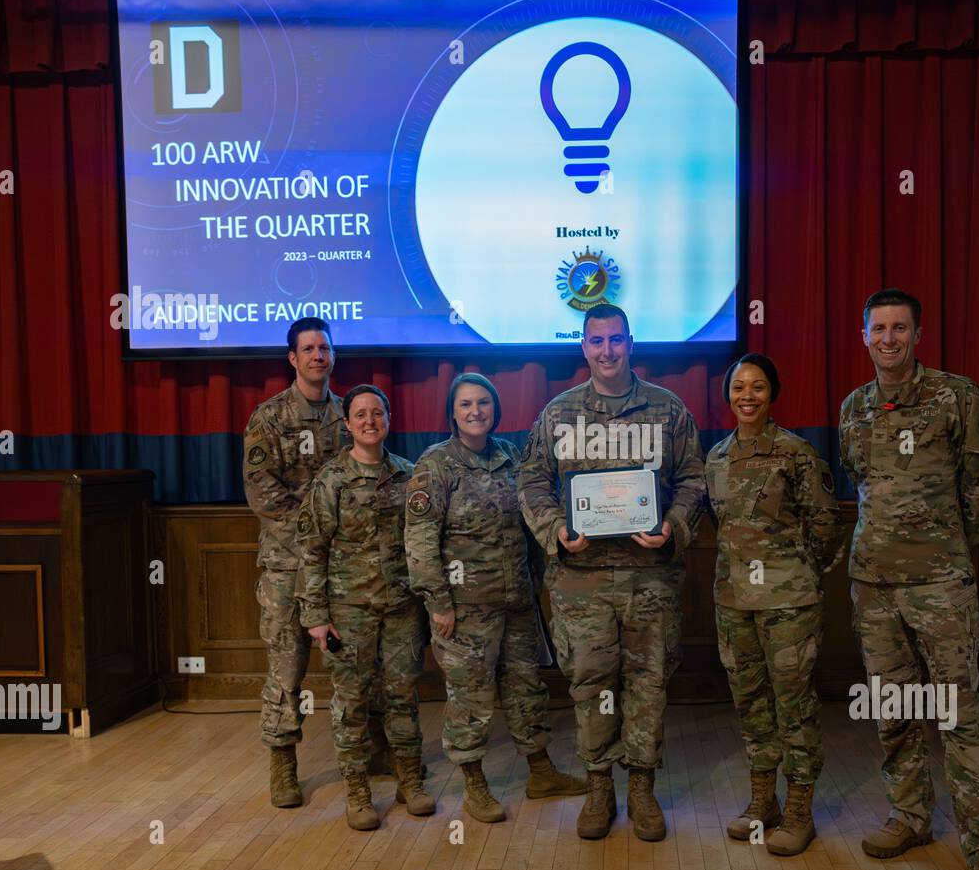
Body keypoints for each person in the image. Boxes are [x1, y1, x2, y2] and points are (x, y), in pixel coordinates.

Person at [839, 288, 979, 870]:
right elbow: (859, 480)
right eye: (878, 328)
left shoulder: (957, 398)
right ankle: (909, 816)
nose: (889, 338)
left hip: (940, 586)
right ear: (865, 335)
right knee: (893, 709)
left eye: (900, 328)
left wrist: (949, 544)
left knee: (961, 716)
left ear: (918, 334)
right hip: (874, 585)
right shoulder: (853, 408)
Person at [518, 303, 706, 842]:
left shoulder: (668, 411)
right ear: (583, 346)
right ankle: (600, 785)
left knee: (648, 684)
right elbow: (531, 481)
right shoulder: (558, 414)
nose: (607, 351)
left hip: (651, 580)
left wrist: (672, 524)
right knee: (591, 685)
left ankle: (642, 787)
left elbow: (695, 478)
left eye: (616, 340)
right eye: (597, 341)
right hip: (582, 582)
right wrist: (554, 527)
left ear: (631, 343)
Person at [405, 373, 585, 823]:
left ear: (495, 409)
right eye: (466, 404)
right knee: (471, 698)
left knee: (527, 689)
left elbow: (533, 522)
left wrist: (539, 580)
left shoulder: (510, 457)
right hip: (464, 611)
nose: (475, 412)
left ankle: (541, 772)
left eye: (483, 403)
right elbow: (421, 540)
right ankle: (475, 784)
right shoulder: (436, 465)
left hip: (517, 603)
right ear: (452, 411)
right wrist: (438, 603)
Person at [705, 353, 844, 856]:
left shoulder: (796, 453)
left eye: (758, 387)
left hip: (788, 603)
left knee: (794, 706)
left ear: (772, 393)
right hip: (733, 601)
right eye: (739, 387)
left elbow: (825, 525)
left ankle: (799, 809)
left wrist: (797, 571)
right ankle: (763, 802)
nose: (748, 396)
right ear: (728, 395)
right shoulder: (715, 457)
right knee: (751, 705)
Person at [296, 384, 434, 830]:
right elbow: (312, 550)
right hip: (349, 612)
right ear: (348, 423)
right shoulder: (331, 480)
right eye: (360, 415)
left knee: (402, 699)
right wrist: (315, 616)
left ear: (388, 419)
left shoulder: (409, 476)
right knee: (351, 704)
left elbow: (423, 543)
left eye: (377, 413)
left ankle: (409, 781)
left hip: (401, 609)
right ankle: (357, 790)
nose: (370, 421)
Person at [243, 317, 350, 808]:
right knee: (287, 668)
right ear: (292, 358)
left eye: (324, 348)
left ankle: (365, 751)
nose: (317, 356)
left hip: (344, 566)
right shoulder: (268, 418)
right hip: (289, 567)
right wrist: (316, 535)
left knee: (354, 663)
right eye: (307, 349)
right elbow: (264, 495)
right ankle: (283, 761)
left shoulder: (350, 415)